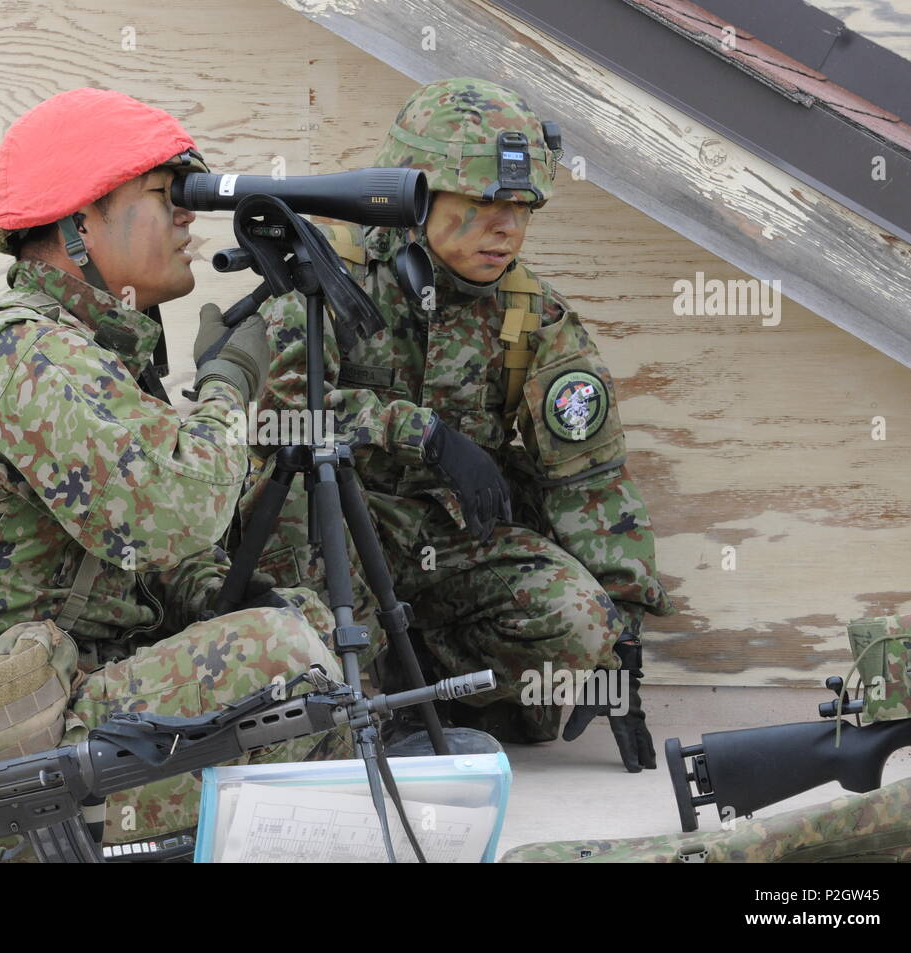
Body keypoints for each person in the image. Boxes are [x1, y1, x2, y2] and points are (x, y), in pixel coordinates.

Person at [0, 88, 346, 846]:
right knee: (285, 666)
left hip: (34, 690)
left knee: (297, 621)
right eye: (164, 195)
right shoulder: (29, 352)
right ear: (80, 225)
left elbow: (124, 558)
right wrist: (227, 385)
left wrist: (221, 592)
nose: (187, 217)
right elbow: (178, 512)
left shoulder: (85, 349)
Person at [238, 78, 675, 772]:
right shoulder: (327, 271)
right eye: (484, 204)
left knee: (580, 624)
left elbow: (588, 478)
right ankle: (359, 692)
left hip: (450, 539)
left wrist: (622, 638)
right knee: (293, 552)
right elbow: (270, 417)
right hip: (338, 525)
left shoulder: (529, 315)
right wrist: (422, 433)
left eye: (523, 207)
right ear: (415, 196)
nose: (508, 229)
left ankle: (419, 690)